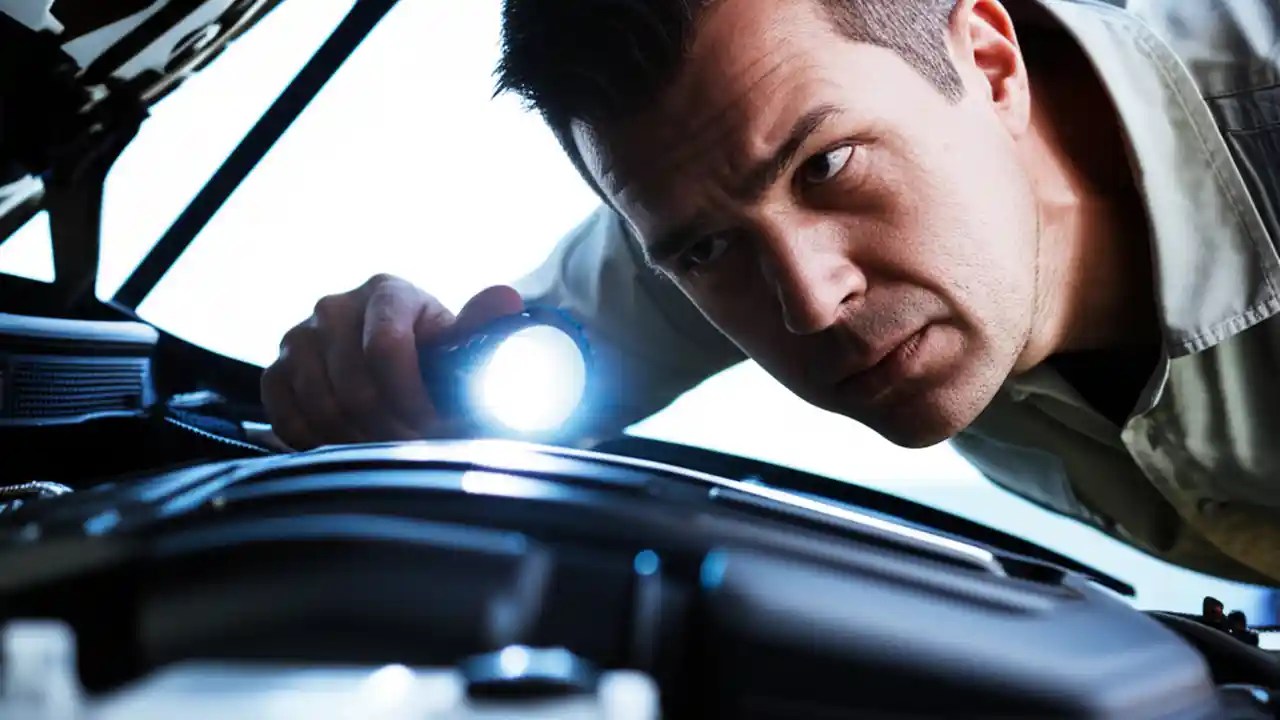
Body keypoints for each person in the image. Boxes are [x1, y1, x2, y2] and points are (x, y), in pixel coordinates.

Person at [261, 0, 1280, 585]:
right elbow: (479, 382)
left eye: (829, 167)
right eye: (702, 250)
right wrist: (387, 364)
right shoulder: (721, 216)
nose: (806, 304)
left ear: (984, 61)